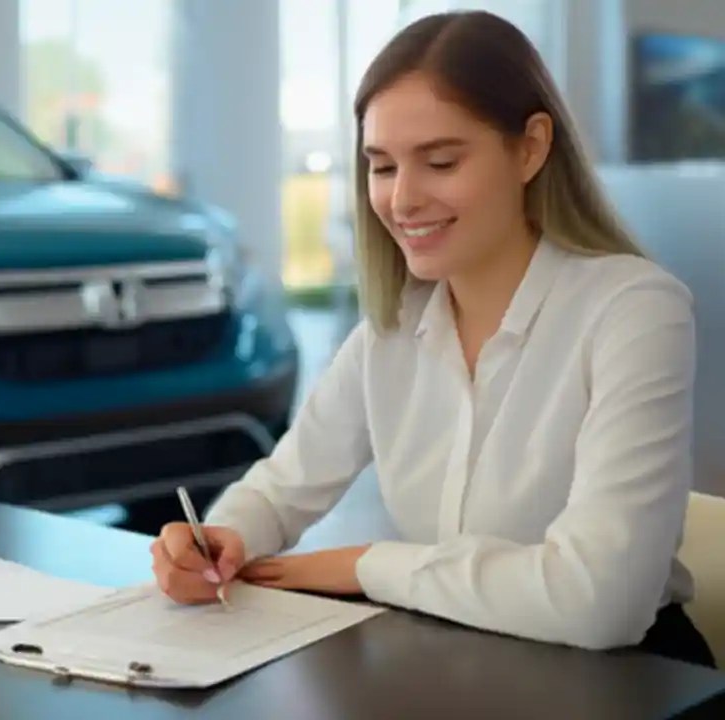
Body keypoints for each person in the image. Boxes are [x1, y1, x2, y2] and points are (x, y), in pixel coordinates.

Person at [150, 10, 716, 668]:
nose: (402, 199)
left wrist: (369, 567)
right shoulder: (389, 337)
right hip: (463, 663)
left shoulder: (634, 311)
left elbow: (601, 600)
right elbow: (282, 488)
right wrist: (222, 539)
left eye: (440, 161)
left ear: (531, 148)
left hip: (633, 679)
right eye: (382, 166)